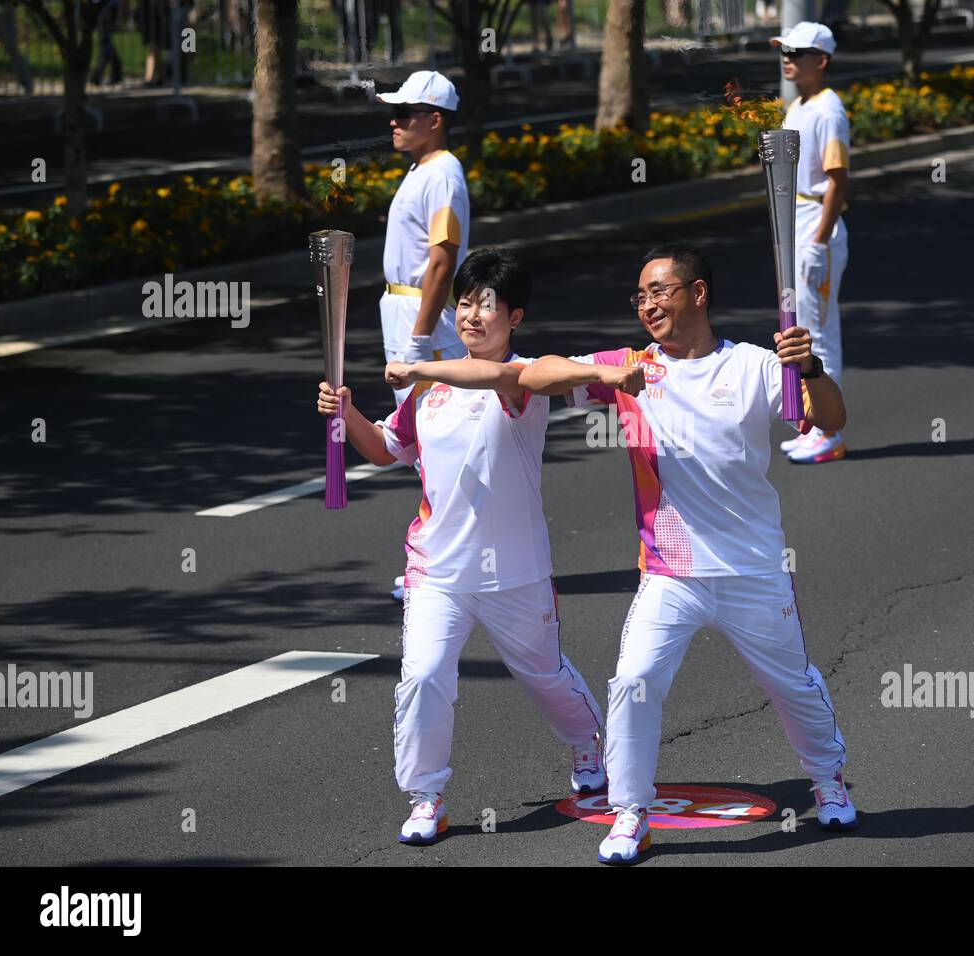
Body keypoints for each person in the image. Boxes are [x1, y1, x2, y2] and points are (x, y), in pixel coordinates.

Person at [519, 244, 857, 865]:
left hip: (753, 568)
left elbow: (828, 419)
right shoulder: (632, 366)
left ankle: (828, 780)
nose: (648, 305)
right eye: (640, 295)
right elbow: (532, 374)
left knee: (790, 685)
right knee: (636, 680)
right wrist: (599, 376)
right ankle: (628, 810)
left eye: (659, 291)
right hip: (670, 573)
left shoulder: (757, 366)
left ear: (697, 294)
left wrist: (809, 370)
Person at [316, 249, 608, 848]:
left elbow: (499, 379)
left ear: (515, 316)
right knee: (423, 674)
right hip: (437, 569)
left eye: (487, 305)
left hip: (517, 571)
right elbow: (387, 451)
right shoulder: (429, 390)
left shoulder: (524, 377)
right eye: (465, 302)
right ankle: (426, 797)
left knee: (544, 675)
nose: (472, 315)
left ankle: (587, 746)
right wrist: (347, 415)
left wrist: (422, 370)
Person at [375, 70, 471, 600]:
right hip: (406, 312)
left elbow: (441, 261)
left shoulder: (444, 174)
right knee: (426, 444)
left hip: (424, 321)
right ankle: (442, 558)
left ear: (434, 121)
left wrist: (417, 339)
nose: (394, 120)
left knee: (439, 442)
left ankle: (437, 563)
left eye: (405, 113)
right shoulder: (422, 170)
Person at [772, 21, 850, 464]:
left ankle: (830, 432)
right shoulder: (800, 105)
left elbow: (838, 180)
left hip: (817, 225)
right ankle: (814, 423)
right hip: (798, 221)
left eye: (797, 52)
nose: (788, 58)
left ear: (820, 60)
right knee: (801, 329)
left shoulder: (828, 110)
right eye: (784, 50)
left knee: (818, 335)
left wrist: (819, 243)